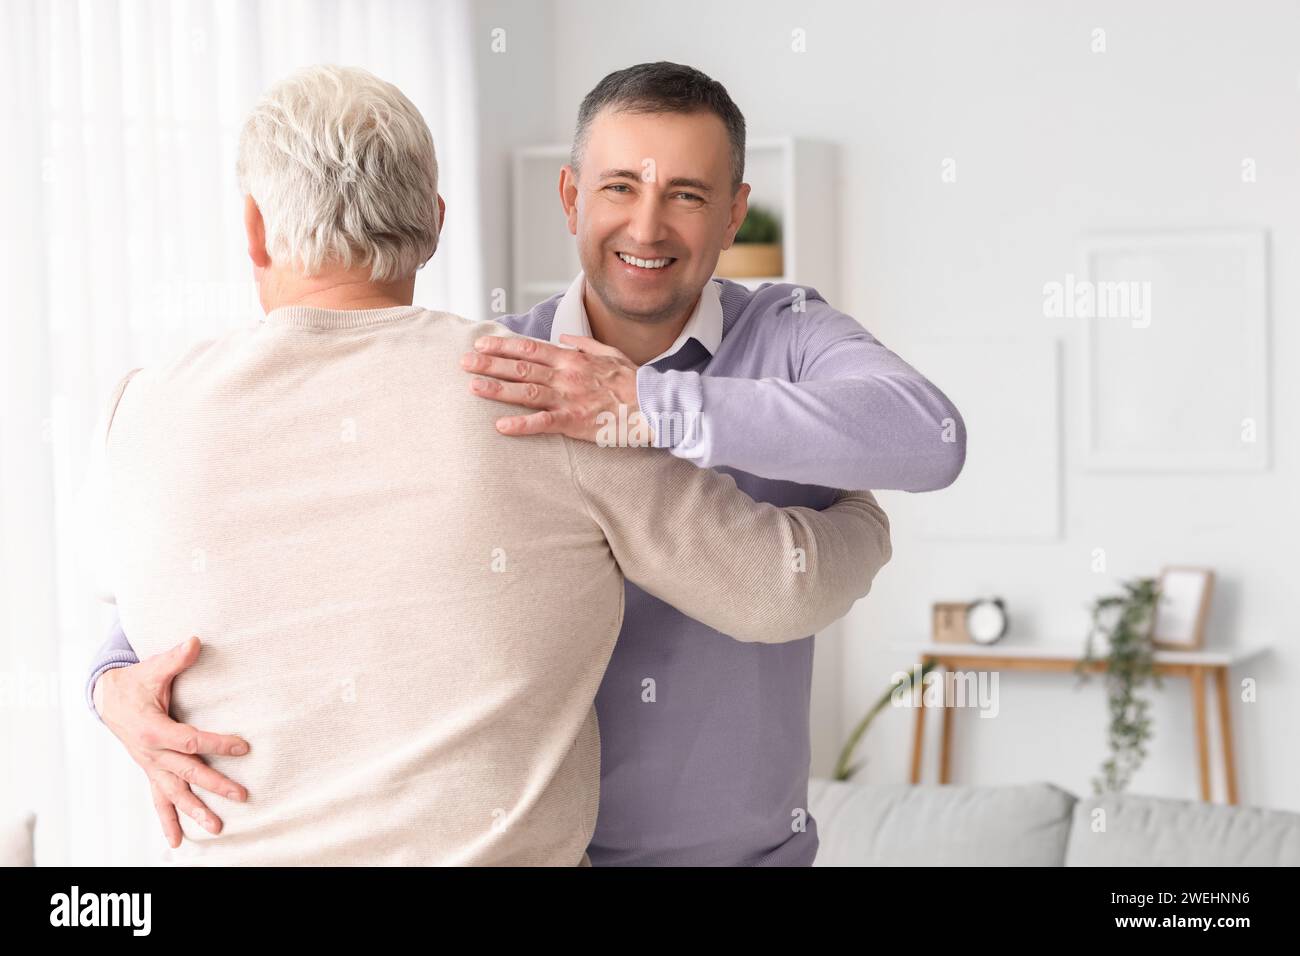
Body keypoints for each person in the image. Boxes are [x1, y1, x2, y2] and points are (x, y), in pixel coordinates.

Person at [80, 64, 891, 865]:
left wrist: (104, 683)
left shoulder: (141, 411)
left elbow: (146, 623)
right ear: (434, 224)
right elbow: (778, 590)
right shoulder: (539, 390)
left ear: (254, 227)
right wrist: (860, 512)